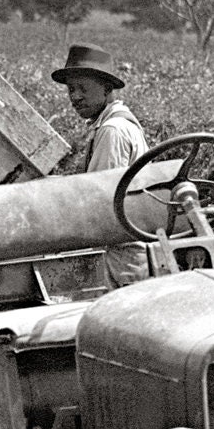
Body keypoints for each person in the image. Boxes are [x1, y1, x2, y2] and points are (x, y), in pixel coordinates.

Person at [49, 45, 149, 286]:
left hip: (122, 258)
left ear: (106, 88)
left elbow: (99, 200)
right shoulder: (116, 124)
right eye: (71, 89)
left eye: (83, 88)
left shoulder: (112, 131)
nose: (75, 96)